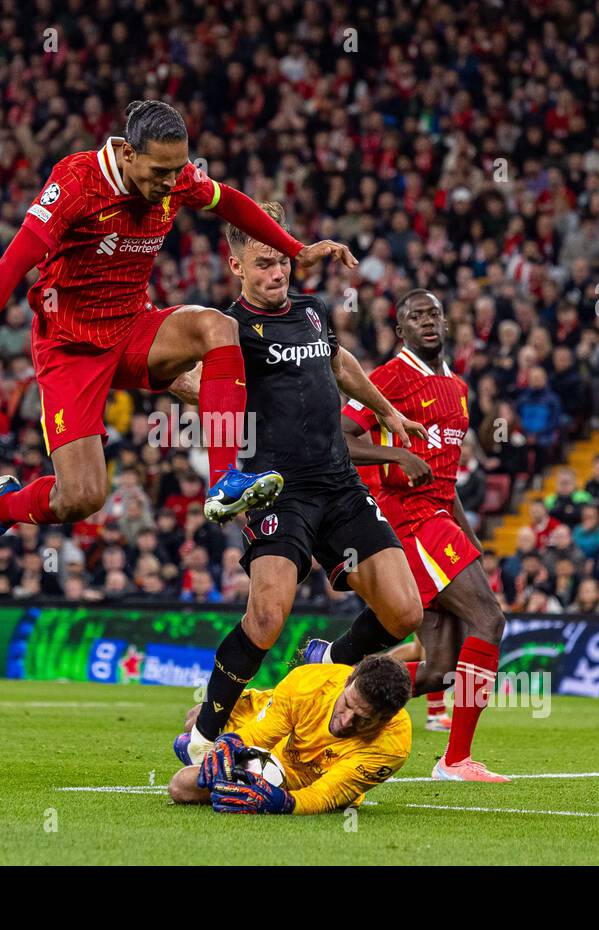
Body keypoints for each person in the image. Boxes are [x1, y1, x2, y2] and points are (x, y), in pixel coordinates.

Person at [0, 100, 357, 560]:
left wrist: (294, 248)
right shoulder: (77, 183)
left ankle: (224, 480)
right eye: (160, 172)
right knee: (82, 497)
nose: (171, 182)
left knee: (217, 327)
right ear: (127, 152)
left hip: (133, 327)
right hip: (70, 347)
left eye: (178, 170)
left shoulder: (176, 176)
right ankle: (3, 508)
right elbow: (12, 264)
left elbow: (230, 202)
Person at [170, 201, 426, 764]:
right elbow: (188, 380)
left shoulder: (312, 310)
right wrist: (208, 398)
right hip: (278, 491)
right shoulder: (229, 329)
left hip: (340, 485)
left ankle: (328, 661)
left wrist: (387, 413)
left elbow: (339, 365)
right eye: (263, 263)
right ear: (236, 267)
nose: (277, 272)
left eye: (282, 260)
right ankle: (204, 738)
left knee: (405, 614)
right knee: (264, 618)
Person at [310, 289, 510, 782]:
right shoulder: (389, 377)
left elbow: (444, 474)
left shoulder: (458, 388)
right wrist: (398, 455)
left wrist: (468, 531)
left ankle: (336, 692)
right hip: (409, 520)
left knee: (440, 668)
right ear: (401, 330)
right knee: (488, 618)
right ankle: (456, 759)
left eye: (434, 314)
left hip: (440, 518)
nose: (427, 322)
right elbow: (340, 439)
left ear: (445, 322)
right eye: (415, 316)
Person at [168, 656, 413, 815]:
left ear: (386, 719)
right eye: (347, 703)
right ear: (348, 681)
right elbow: (261, 734)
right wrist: (229, 744)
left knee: (181, 787)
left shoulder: (392, 745)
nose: (346, 721)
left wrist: (281, 803)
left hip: (302, 778)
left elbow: (324, 794)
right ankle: (211, 760)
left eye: (364, 719)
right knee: (197, 718)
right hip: (280, 734)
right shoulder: (310, 681)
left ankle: (214, 765)